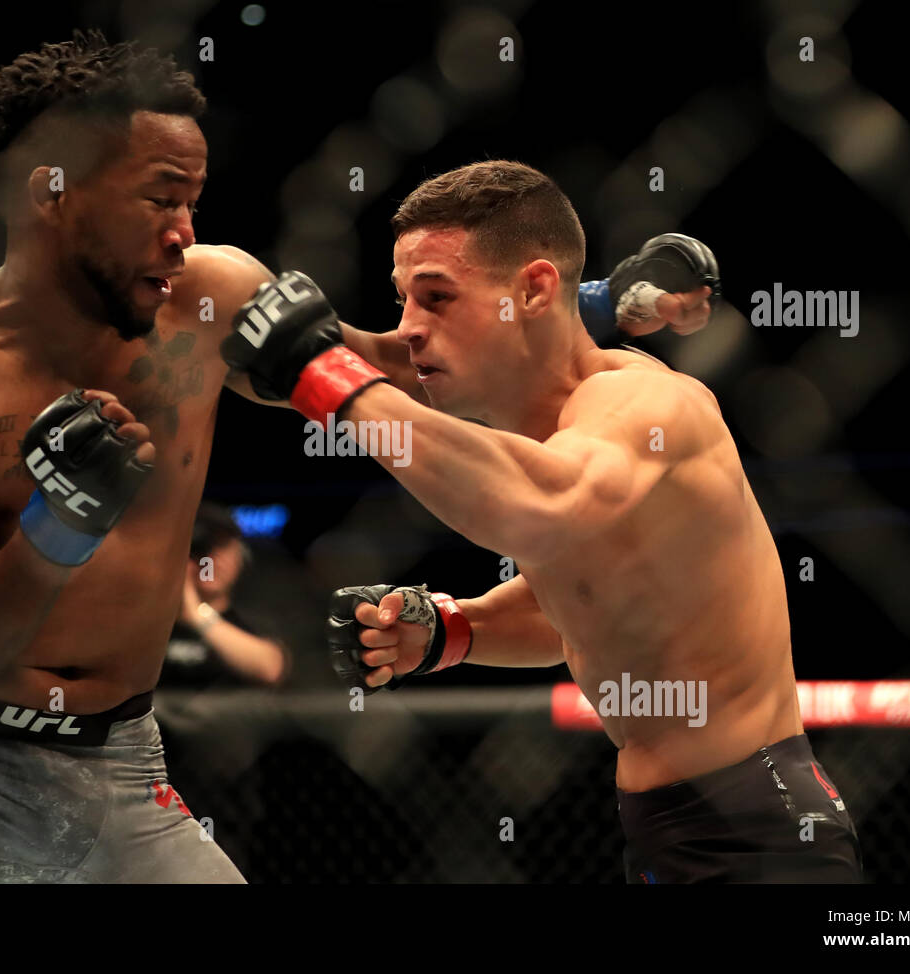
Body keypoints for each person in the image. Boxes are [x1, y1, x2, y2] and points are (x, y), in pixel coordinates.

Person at [0, 28, 709, 883]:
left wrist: (594, 305)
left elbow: (382, 356)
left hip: (121, 773)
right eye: (160, 197)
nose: (183, 230)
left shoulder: (210, 295)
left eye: (193, 201)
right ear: (52, 192)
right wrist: (59, 529)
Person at [219, 160, 864, 883]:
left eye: (437, 299)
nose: (408, 329)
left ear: (531, 290)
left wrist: (325, 380)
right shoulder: (552, 428)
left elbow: (539, 511)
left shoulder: (643, 409)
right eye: (403, 299)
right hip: (664, 828)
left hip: (760, 827)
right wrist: (451, 631)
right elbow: (578, 606)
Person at [165, 503, 288, 687]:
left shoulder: (255, 619)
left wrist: (196, 614)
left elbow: (271, 669)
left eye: (222, 546)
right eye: (201, 548)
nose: (210, 561)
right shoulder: (152, 623)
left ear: (241, 557)